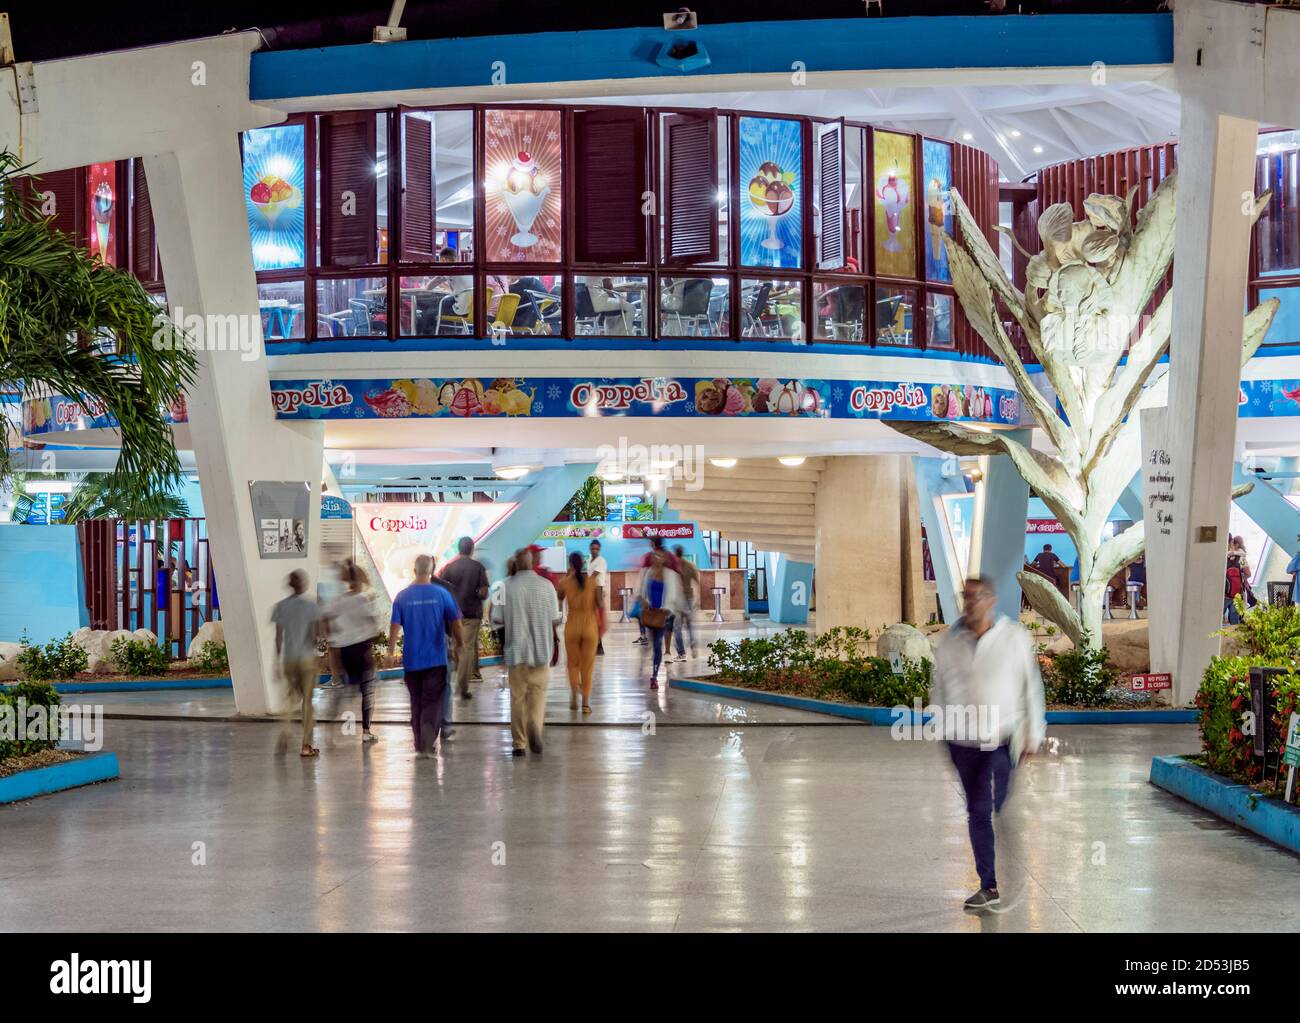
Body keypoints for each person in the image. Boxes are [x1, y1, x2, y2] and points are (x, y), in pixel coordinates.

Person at [931, 575, 1046, 912]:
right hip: (962, 741)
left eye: (976, 596)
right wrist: (942, 725)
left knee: (995, 806)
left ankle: (1005, 870)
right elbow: (939, 687)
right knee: (978, 810)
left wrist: (1033, 734)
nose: (969, 603)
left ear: (991, 600)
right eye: (965, 597)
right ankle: (989, 885)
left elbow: (1031, 686)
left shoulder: (1013, 638)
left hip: (1000, 738)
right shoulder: (950, 641)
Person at [388, 554, 464, 759]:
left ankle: (420, 742)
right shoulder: (441, 594)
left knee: (416, 701)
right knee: (433, 701)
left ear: (415, 570)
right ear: (431, 571)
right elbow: (456, 622)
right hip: (436, 659)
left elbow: (394, 626)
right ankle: (427, 740)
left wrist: (389, 652)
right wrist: (460, 645)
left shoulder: (402, 596)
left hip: (412, 661)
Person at [492, 547, 561, 756]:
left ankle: (519, 744)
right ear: (532, 563)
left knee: (518, 697)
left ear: (516, 563)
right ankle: (534, 725)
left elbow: (497, 620)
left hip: (516, 651)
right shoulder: (547, 586)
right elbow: (554, 619)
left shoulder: (503, 587)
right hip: (542, 651)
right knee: (538, 695)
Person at [323, 559, 381, 744]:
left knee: (345, 691)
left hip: (346, 651)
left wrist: (334, 635)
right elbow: (373, 625)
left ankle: (331, 728)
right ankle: (366, 731)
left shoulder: (339, 600)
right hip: (362, 650)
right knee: (367, 692)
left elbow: (326, 617)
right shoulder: (363, 599)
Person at [270, 569, 323, 758]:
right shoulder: (311, 606)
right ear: (302, 584)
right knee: (307, 702)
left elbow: (278, 637)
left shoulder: (280, 607)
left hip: (288, 659)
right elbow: (315, 635)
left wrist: (277, 661)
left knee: (291, 698)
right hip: (306, 659)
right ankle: (306, 746)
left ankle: (286, 728)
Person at [440, 536, 490, 699]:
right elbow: (483, 592)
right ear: (472, 549)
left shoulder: (449, 567)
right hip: (471, 614)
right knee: (467, 648)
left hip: (453, 614)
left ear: (458, 549)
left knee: (457, 646)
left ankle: (460, 680)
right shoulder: (478, 567)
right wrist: (476, 593)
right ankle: (462, 686)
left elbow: (441, 588)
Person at [559, 550, 603, 715]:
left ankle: (573, 696)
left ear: (570, 564)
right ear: (584, 564)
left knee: (573, 664)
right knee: (587, 666)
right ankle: (585, 704)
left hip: (572, 627)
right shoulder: (592, 582)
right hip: (589, 627)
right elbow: (599, 604)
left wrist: (568, 576)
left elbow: (559, 597)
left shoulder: (565, 582)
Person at [638, 539, 684, 689]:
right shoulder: (648, 573)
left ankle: (654, 676)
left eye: (659, 557)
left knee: (657, 643)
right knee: (654, 644)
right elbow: (641, 592)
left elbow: (674, 595)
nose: (655, 559)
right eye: (654, 556)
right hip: (651, 613)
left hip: (664, 615)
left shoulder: (671, 575)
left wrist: (669, 609)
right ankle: (654, 664)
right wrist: (644, 601)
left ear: (664, 559)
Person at [669, 544, 699, 660]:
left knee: (677, 628)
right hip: (689, 599)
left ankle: (681, 653)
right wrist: (697, 600)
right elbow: (697, 582)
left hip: (677, 600)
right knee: (689, 626)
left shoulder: (674, 567)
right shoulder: (690, 565)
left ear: (675, 553)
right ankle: (693, 646)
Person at [588, 539, 609, 655]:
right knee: (593, 617)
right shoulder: (590, 560)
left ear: (599, 549)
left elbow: (593, 577)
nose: (594, 550)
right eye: (592, 548)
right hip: (591, 590)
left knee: (597, 617)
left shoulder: (601, 561)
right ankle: (596, 643)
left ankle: (599, 644)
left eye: (596, 549)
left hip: (598, 590)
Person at [1224, 546, 1247, 624]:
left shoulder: (1222, 556)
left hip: (1223, 595)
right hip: (1237, 594)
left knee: (1217, 619)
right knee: (1235, 620)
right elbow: (1248, 573)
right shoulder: (1242, 558)